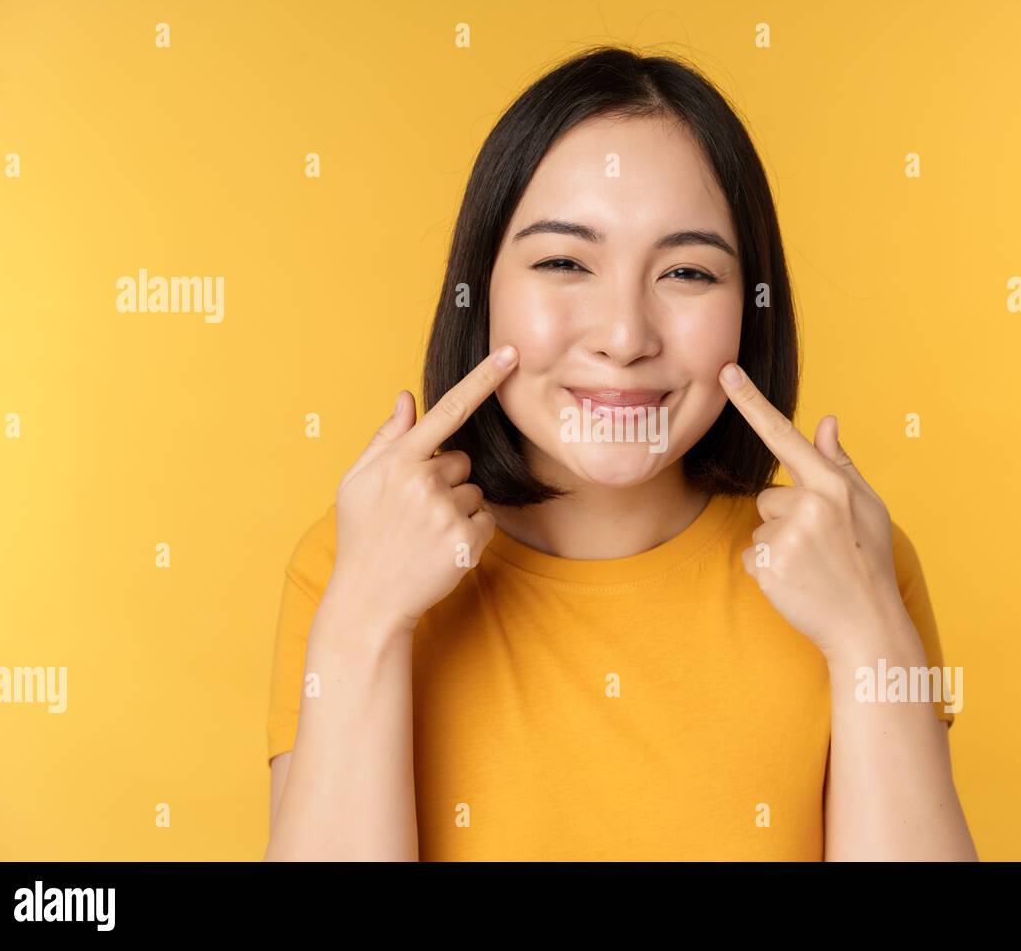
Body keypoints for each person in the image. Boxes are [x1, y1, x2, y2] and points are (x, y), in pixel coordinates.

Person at [263, 45, 977, 861]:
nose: (626, 337)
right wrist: (364, 619)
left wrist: (869, 637)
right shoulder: (349, 559)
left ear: (752, 306)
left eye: (686, 272)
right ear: (481, 288)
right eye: (565, 262)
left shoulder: (853, 560)